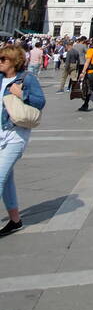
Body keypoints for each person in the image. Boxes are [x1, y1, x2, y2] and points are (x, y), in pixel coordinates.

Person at [0, 42, 46, 236]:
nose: (0, 62)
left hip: (15, 136)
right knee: (7, 179)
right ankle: (15, 220)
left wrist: (22, 94)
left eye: (3, 59)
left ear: (14, 61)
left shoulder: (26, 79)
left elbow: (40, 101)